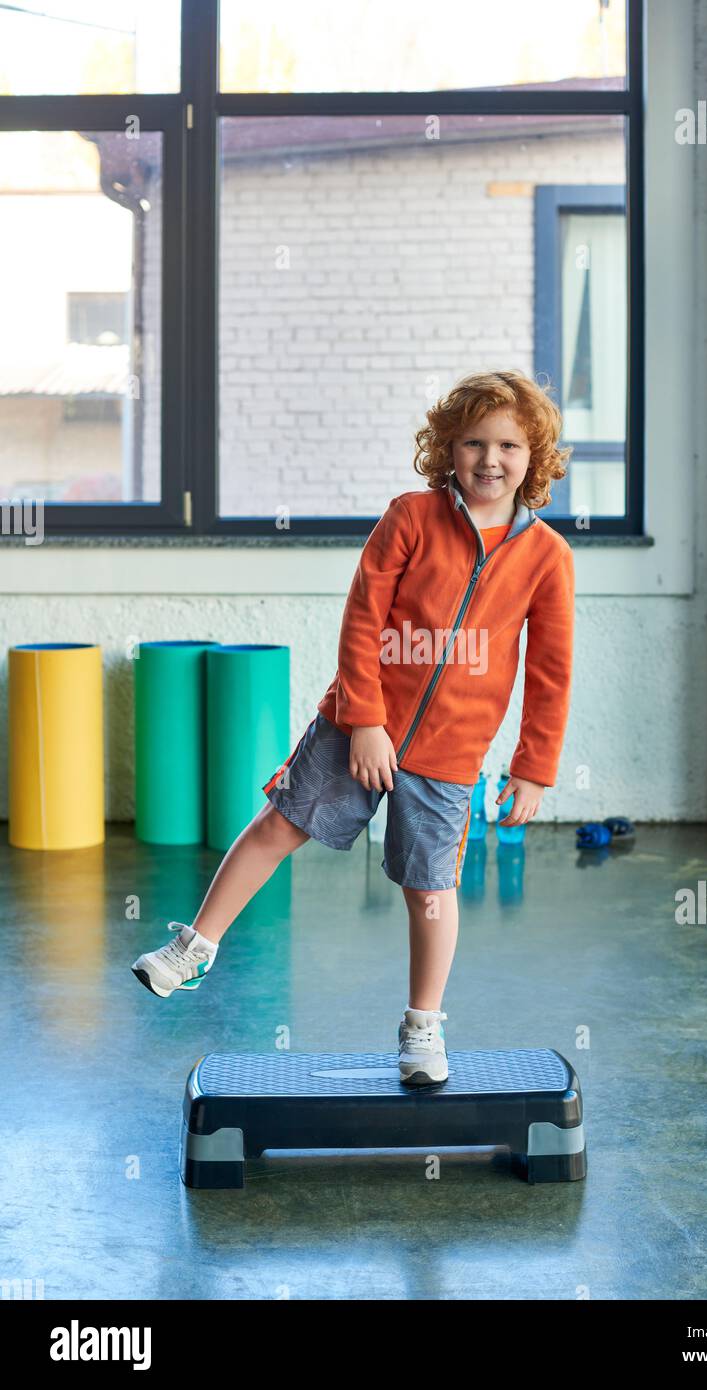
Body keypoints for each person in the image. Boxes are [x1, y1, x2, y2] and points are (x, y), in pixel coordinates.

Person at [131, 370, 574, 1085]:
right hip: (357, 726)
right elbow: (364, 622)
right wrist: (365, 720)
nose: (489, 460)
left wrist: (534, 765)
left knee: (429, 887)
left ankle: (423, 1027)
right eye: (472, 443)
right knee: (279, 824)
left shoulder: (546, 556)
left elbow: (551, 668)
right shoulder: (409, 517)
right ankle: (194, 948)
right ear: (446, 449)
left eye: (508, 446)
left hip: (451, 751)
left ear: (535, 457)